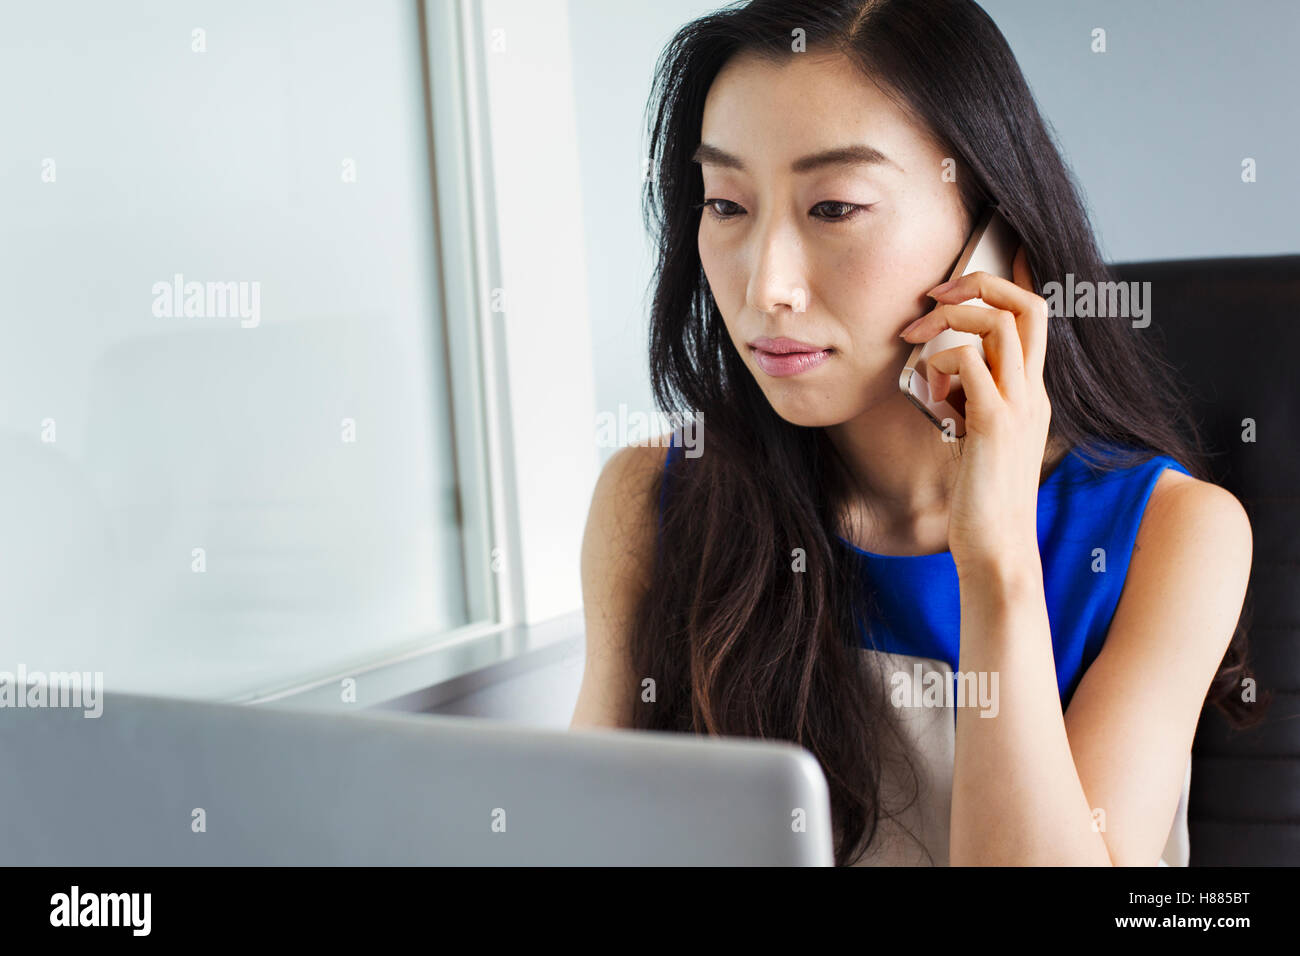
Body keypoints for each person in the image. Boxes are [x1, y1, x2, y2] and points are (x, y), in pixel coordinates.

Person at [569, 0, 1260, 866]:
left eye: (835, 208)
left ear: (999, 249)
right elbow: (586, 837)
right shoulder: (653, 498)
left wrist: (996, 560)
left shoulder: (1172, 537)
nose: (767, 285)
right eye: (726, 204)